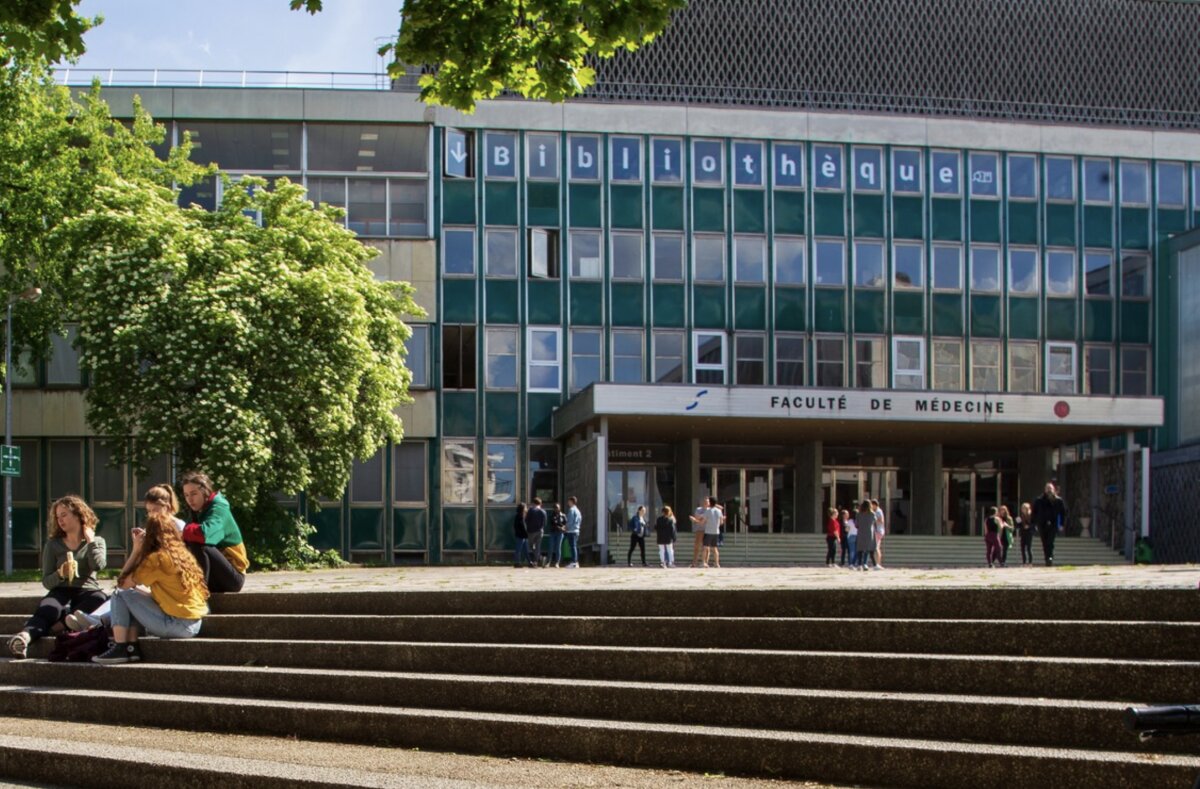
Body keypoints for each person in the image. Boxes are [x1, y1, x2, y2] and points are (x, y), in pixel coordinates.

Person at [93, 511, 210, 664]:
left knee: (119, 594)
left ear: (151, 536)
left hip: (176, 625)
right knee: (132, 595)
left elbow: (122, 583)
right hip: (193, 624)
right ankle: (132, 648)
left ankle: (120, 647)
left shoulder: (157, 559)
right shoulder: (182, 555)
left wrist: (136, 550)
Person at [65, 484, 185, 632]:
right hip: (152, 581)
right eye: (149, 511)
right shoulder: (152, 529)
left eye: (155, 510)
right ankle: (95, 619)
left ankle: (97, 621)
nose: (152, 515)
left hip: (167, 587)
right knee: (122, 591)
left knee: (125, 592)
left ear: (167, 506)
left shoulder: (178, 526)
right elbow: (124, 577)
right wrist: (136, 548)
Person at [7, 496, 108, 659]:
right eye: (57, 516)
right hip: (61, 590)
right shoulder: (53, 545)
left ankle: (58, 626)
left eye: (64, 515)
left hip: (88, 590)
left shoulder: (97, 541)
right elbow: (47, 581)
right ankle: (24, 638)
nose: (60, 520)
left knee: (99, 598)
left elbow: (98, 565)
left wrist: (90, 541)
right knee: (48, 608)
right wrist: (60, 574)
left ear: (79, 515)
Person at [180, 471, 248, 593]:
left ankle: (199, 593)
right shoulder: (198, 510)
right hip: (215, 575)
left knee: (198, 542)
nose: (190, 499)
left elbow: (205, 535)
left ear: (205, 491)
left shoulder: (219, 507)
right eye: (186, 495)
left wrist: (180, 532)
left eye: (194, 494)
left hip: (234, 578)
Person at [1031, 482, 1068, 566]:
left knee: (1050, 541)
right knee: (1044, 542)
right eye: (1047, 488)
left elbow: (1063, 513)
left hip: (1053, 524)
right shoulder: (1039, 500)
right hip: (1042, 523)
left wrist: (1062, 524)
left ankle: (1050, 557)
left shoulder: (1058, 500)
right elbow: (1034, 513)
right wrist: (1034, 523)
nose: (1049, 490)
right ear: (1045, 490)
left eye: (1050, 488)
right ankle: (1046, 557)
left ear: (1053, 489)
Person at [689, 496, 723, 568]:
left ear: (709, 502)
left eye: (708, 501)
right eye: (705, 501)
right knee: (708, 547)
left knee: (706, 547)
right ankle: (716, 563)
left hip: (708, 531)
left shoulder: (708, 511)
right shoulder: (700, 509)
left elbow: (701, 521)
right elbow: (721, 521)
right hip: (708, 531)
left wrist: (695, 520)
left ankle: (704, 562)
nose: (706, 503)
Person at [855, 500, 877, 570]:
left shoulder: (858, 514)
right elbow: (874, 522)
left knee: (860, 549)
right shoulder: (872, 514)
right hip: (869, 533)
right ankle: (865, 563)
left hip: (861, 532)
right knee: (867, 549)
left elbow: (856, 524)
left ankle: (859, 565)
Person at [525, 497, 547, 568]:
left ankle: (538, 558)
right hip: (540, 531)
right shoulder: (543, 511)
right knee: (538, 546)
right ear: (540, 503)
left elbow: (526, 520)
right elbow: (545, 523)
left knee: (531, 546)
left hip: (531, 531)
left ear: (533, 503)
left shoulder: (531, 510)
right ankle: (537, 560)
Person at [564, 496, 582, 568]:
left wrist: (565, 527)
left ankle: (574, 562)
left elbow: (570, 521)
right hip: (576, 530)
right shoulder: (578, 511)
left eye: (569, 501)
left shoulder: (571, 510)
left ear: (571, 501)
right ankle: (576, 561)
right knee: (574, 546)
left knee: (572, 547)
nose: (568, 503)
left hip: (571, 531)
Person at [548, 503, 567, 567]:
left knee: (558, 547)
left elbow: (565, 523)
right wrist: (560, 528)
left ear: (559, 508)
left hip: (560, 533)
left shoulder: (563, 515)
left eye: (557, 507)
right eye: (555, 508)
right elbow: (553, 524)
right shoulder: (551, 515)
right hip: (553, 532)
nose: (556, 509)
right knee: (551, 547)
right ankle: (548, 562)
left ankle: (557, 562)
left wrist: (564, 528)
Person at [1017, 501, 1035, 566]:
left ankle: (1030, 562)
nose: (1023, 509)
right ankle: (1024, 562)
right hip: (1023, 533)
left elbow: (1034, 524)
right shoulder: (1020, 517)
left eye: (1024, 508)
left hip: (1029, 533)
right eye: (1022, 508)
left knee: (1029, 548)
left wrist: (1029, 526)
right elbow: (1018, 525)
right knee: (1022, 548)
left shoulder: (1031, 516)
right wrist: (1018, 523)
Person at [512, 502, 529, 568]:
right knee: (519, 549)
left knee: (525, 549)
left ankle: (529, 561)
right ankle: (517, 562)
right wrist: (525, 533)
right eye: (525, 507)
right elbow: (522, 526)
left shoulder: (520, 515)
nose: (526, 508)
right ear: (523, 509)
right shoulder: (520, 516)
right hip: (521, 535)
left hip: (522, 535)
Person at [870, 498, 886, 570]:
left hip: (878, 531)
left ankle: (878, 564)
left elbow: (881, 520)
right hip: (877, 531)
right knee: (876, 547)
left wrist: (874, 520)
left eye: (872, 505)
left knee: (876, 548)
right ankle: (877, 564)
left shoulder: (878, 511)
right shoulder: (876, 511)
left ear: (875, 505)